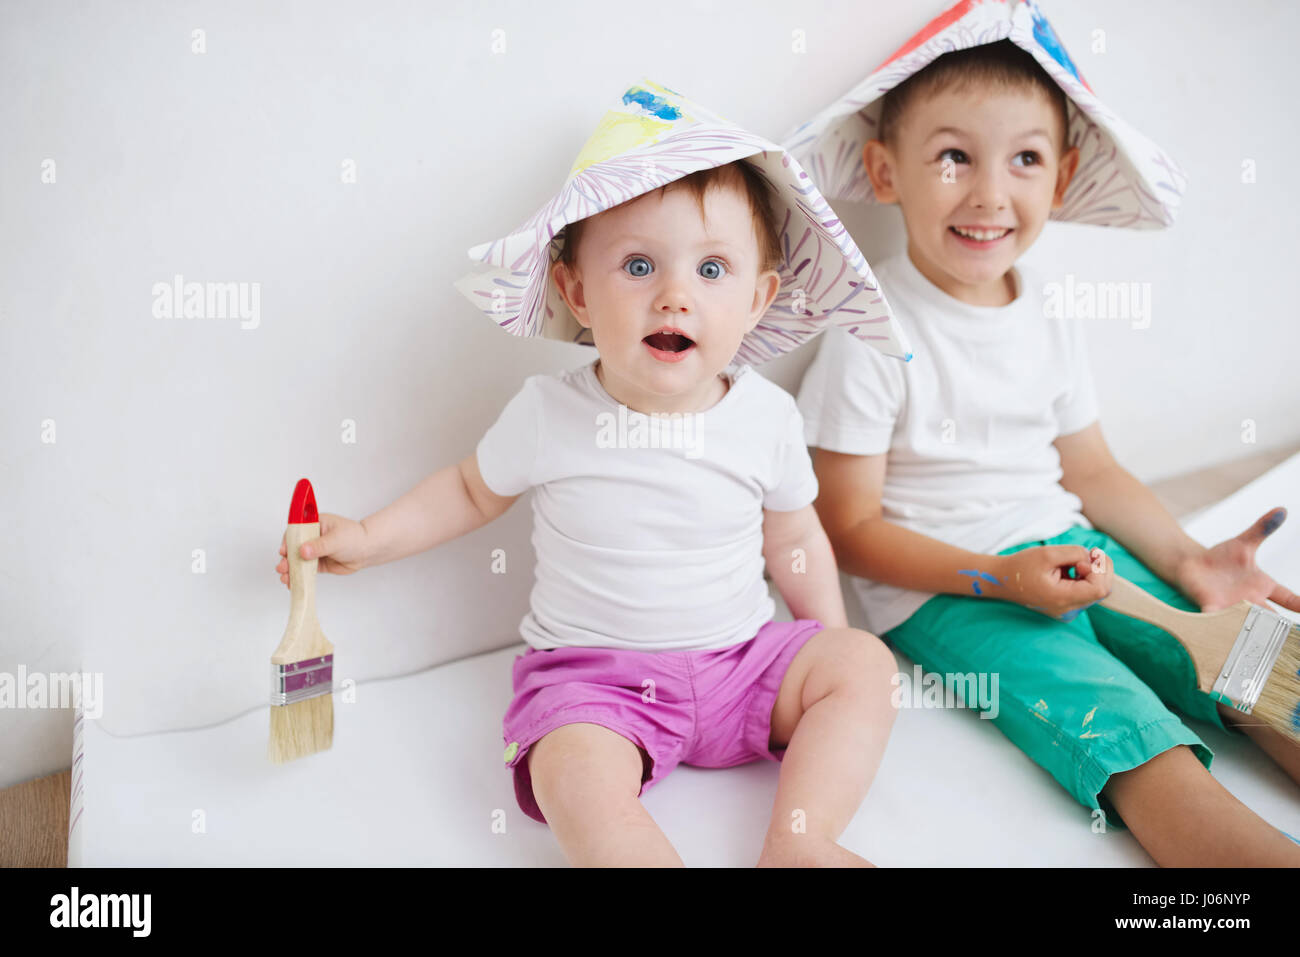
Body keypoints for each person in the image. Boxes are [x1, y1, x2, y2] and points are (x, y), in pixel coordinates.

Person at [277, 81, 911, 866]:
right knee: (569, 766)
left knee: (866, 668)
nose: (676, 295)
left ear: (758, 299)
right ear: (577, 291)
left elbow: (794, 534)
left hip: (742, 664)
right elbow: (470, 490)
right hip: (596, 685)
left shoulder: (764, 418)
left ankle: (800, 840)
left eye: (713, 270)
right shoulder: (549, 412)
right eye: (639, 265)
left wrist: (826, 640)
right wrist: (369, 537)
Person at [789, 4, 1300, 866]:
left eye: (1023, 159)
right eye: (954, 156)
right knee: (1133, 730)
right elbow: (848, 532)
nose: (991, 193)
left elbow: (1093, 471)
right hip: (951, 589)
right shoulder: (868, 332)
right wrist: (1001, 578)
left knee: (1256, 663)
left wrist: (1185, 561)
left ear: (1059, 180)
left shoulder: (1049, 315)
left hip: (1073, 547)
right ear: (885, 171)